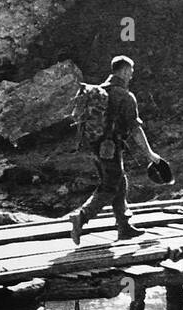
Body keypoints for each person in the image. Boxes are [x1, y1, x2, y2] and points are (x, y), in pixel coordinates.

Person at [70, 55, 167, 245]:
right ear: (123, 71)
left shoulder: (99, 91)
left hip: (95, 145)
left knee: (120, 182)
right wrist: (150, 154)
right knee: (111, 185)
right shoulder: (125, 96)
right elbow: (136, 129)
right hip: (110, 146)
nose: (132, 75)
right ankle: (82, 216)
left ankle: (124, 227)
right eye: (130, 71)